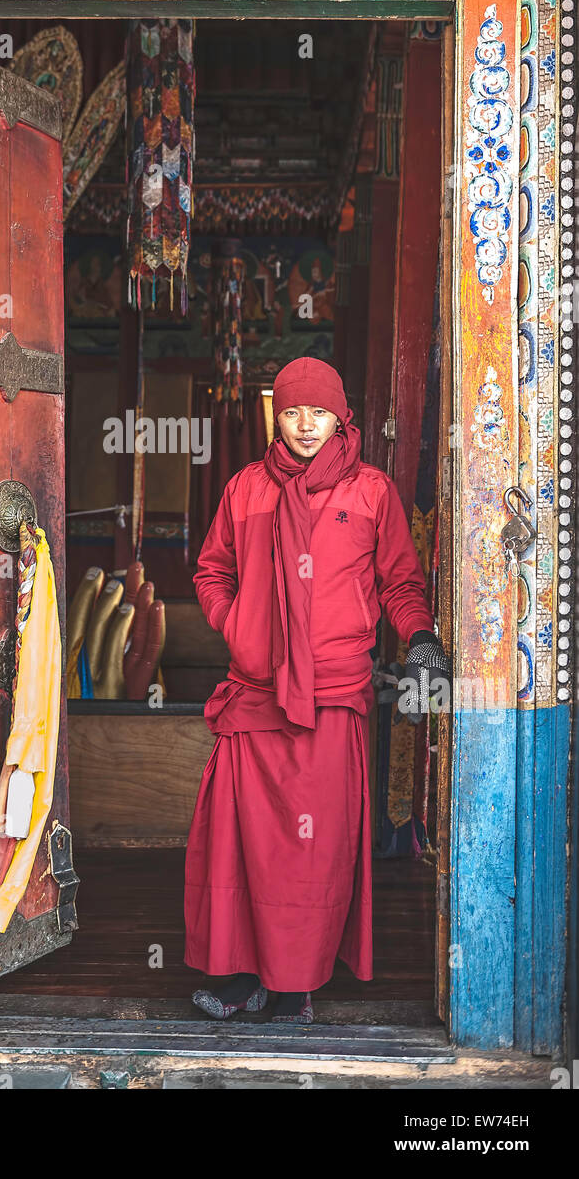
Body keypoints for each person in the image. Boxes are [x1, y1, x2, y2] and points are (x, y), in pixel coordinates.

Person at [185, 356, 449, 1023]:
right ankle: (244, 974)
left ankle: (294, 981)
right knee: (241, 842)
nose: (306, 425)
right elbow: (212, 569)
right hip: (255, 692)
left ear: (341, 418)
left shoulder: (371, 492)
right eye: (293, 412)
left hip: (332, 695)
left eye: (319, 412)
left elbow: (399, 582)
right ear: (278, 417)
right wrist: (236, 624)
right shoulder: (247, 488)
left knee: (312, 849)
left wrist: (418, 637)